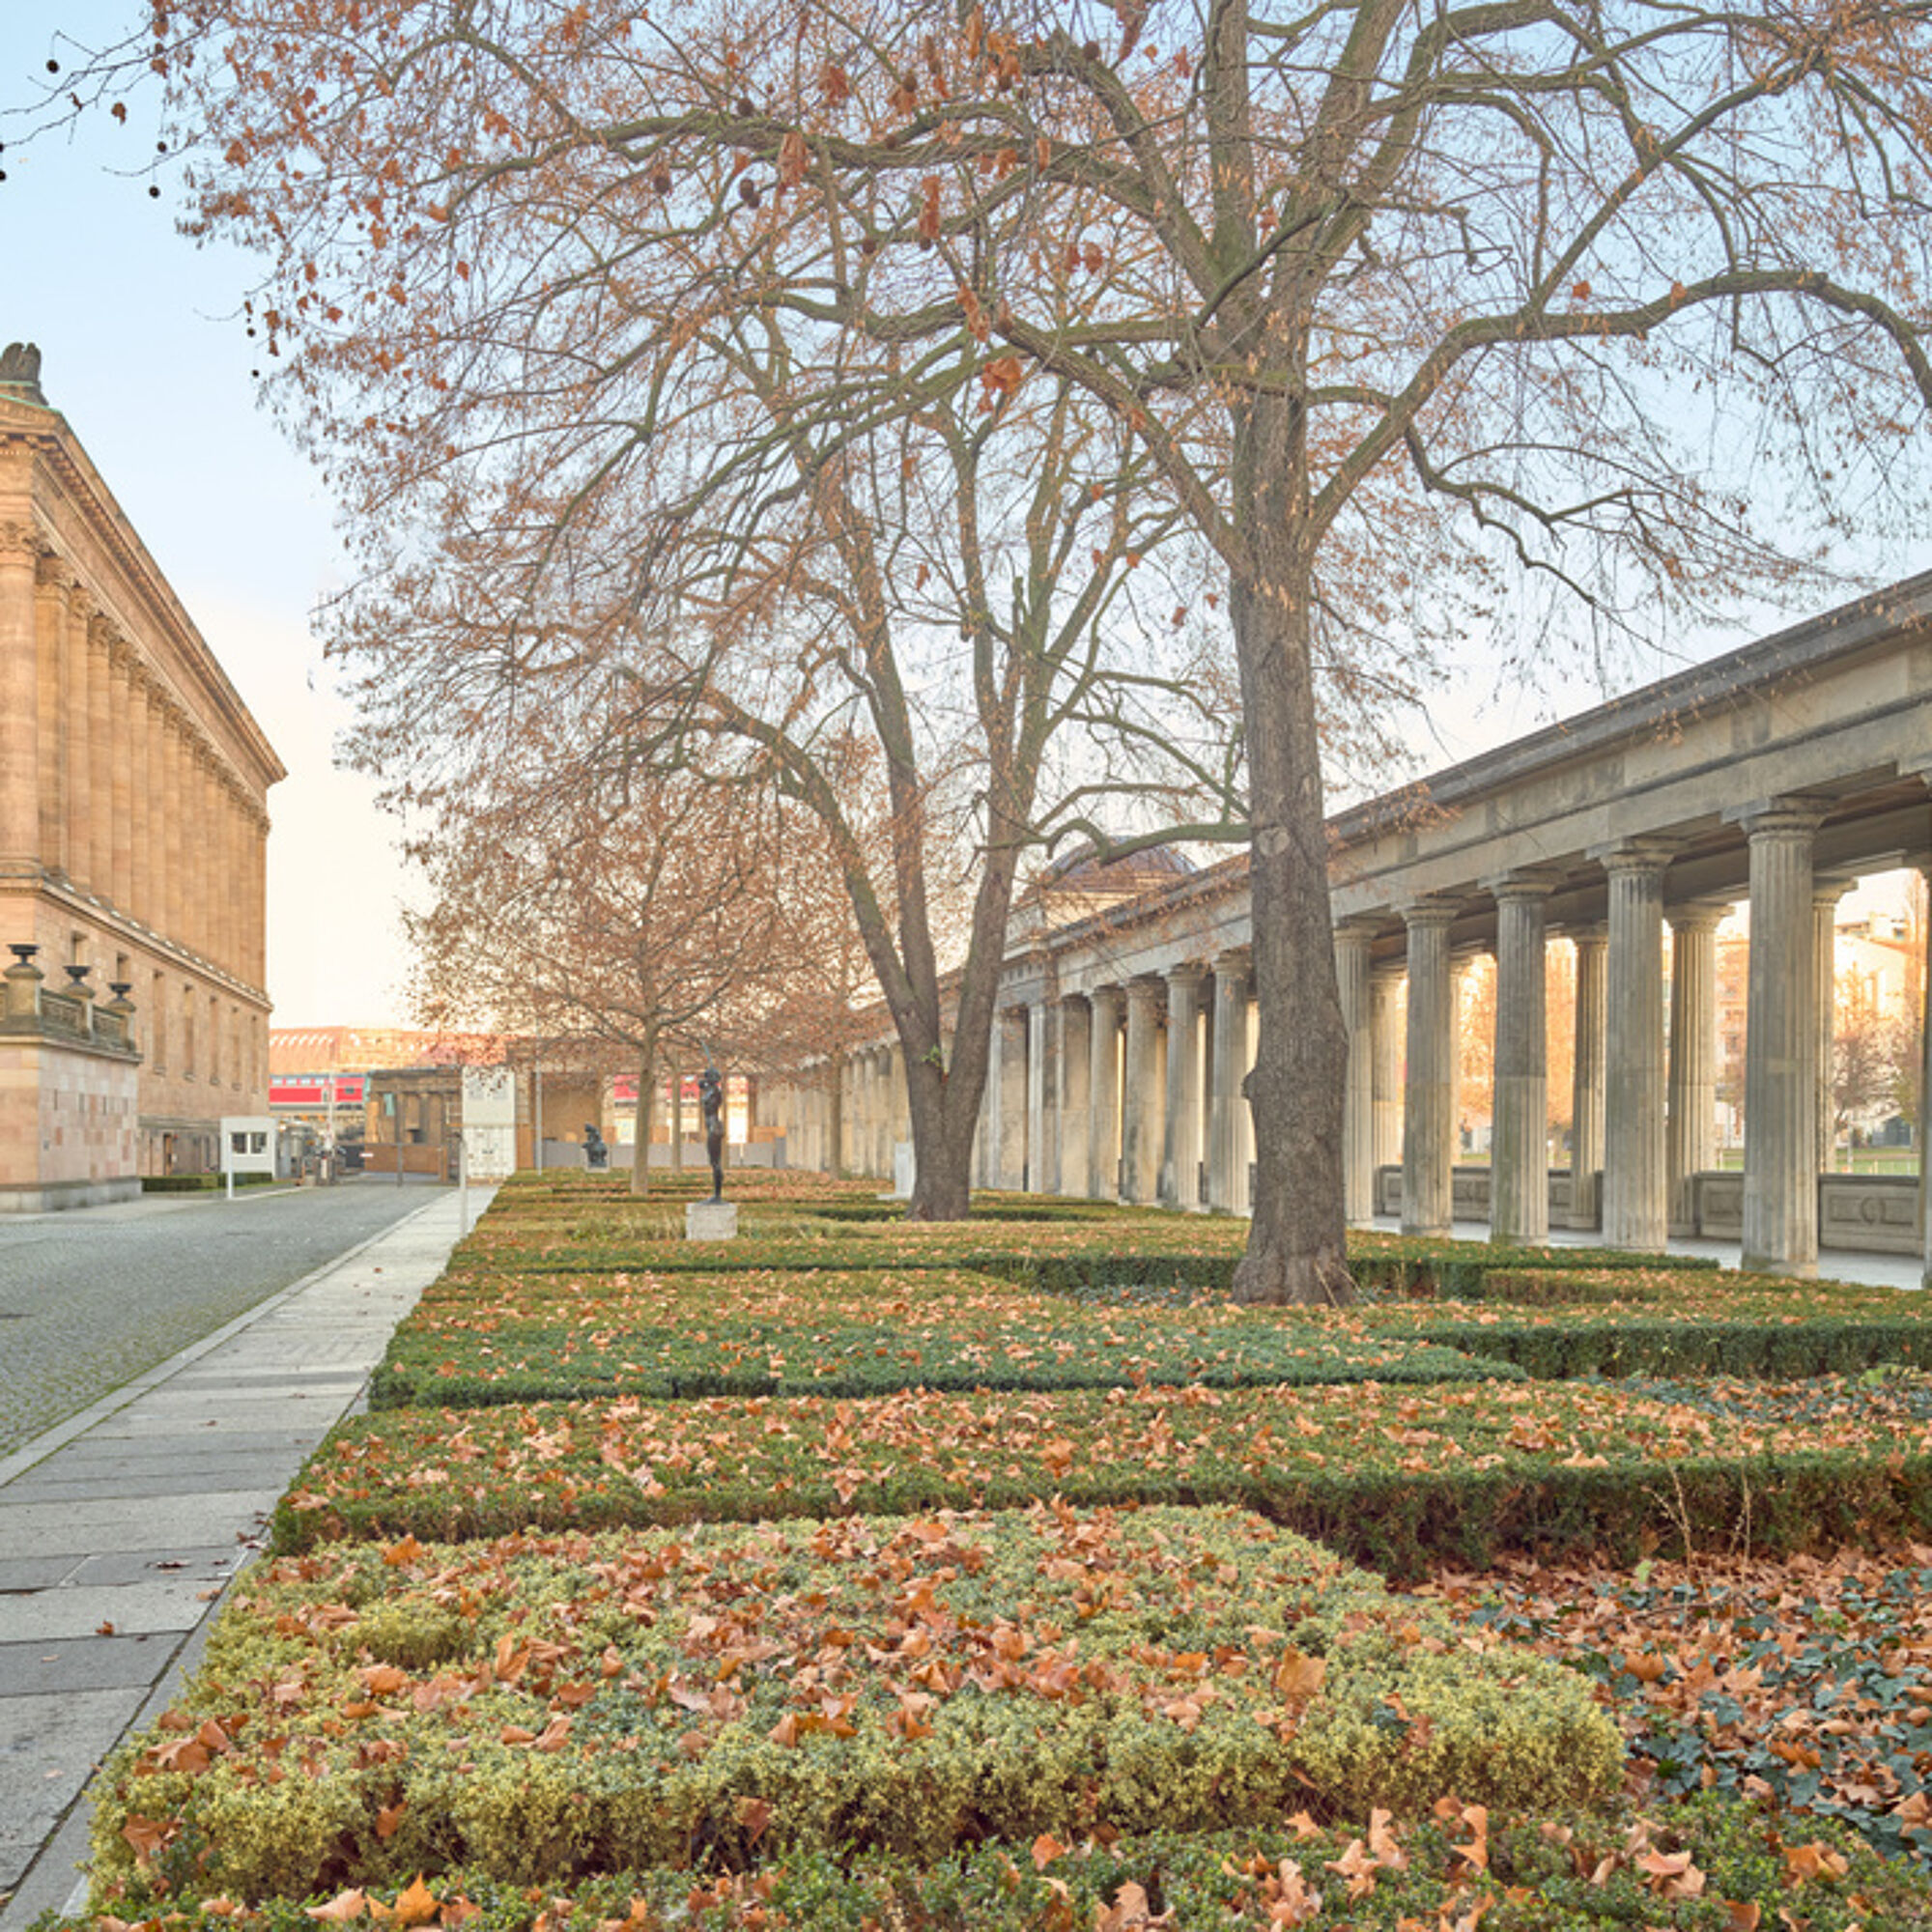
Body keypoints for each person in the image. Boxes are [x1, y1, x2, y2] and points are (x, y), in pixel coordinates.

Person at [698, 1063, 725, 1201]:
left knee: (715, 1162)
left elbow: (714, 1098)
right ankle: (716, 1193)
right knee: (713, 1161)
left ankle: (717, 1194)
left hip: (714, 1126)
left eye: (708, 1076)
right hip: (711, 1125)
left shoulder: (715, 1091)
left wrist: (708, 1085)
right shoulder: (710, 1090)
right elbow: (700, 1084)